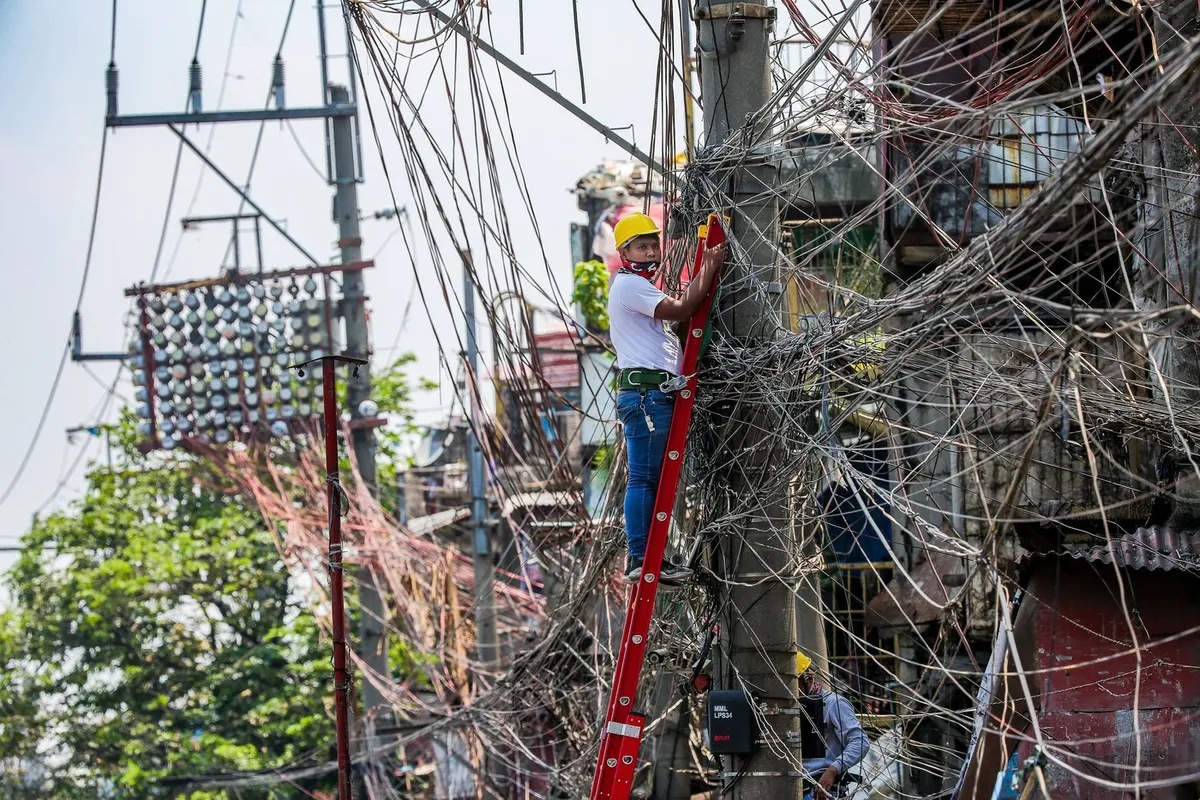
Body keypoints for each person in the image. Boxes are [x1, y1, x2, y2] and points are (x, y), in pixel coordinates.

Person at [606, 211, 724, 585]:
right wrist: (710, 265)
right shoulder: (629, 285)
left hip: (653, 393)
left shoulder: (639, 288)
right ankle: (641, 559)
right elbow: (681, 309)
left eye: (653, 244)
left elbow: (673, 323)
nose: (650, 252)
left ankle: (649, 557)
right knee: (643, 479)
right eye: (641, 246)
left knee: (653, 481)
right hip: (646, 396)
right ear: (625, 253)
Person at [796, 650, 870, 799]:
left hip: (820, 791)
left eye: (792, 683)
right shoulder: (787, 709)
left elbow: (860, 742)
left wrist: (833, 770)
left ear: (807, 679)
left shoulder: (833, 704)